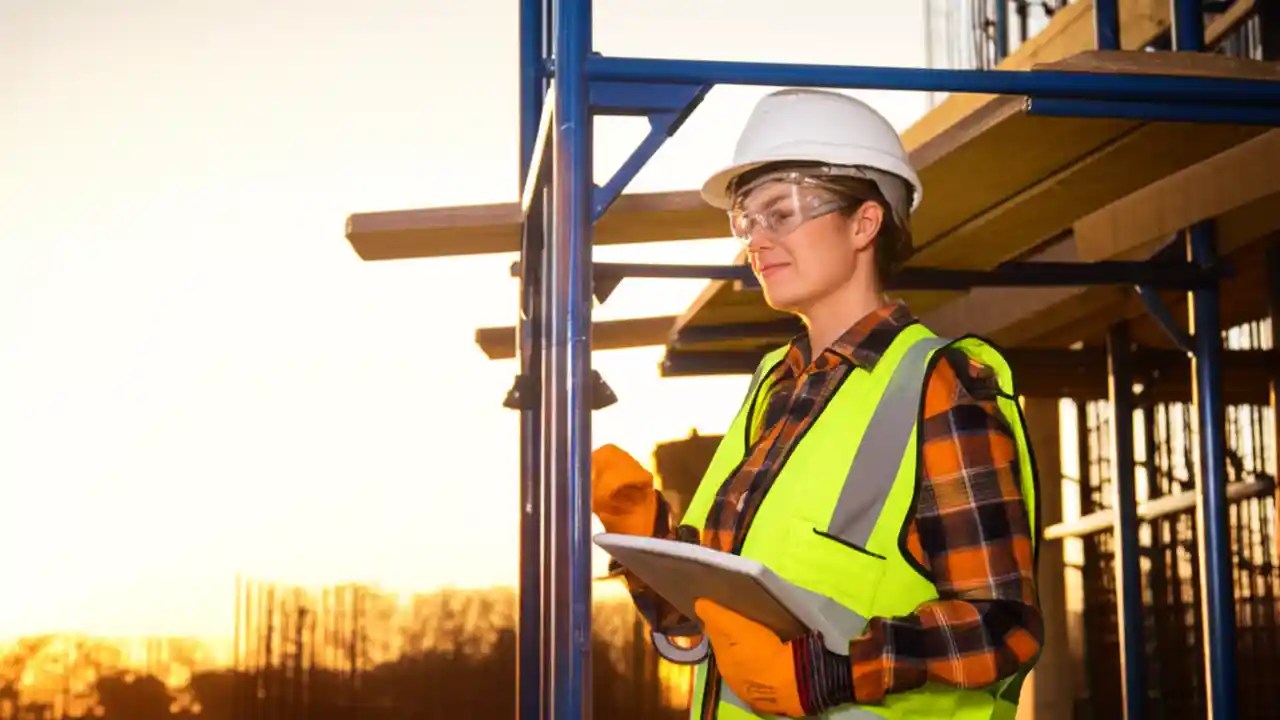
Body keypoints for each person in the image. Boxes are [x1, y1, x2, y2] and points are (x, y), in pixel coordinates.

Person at [592, 88, 1042, 720]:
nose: (757, 239)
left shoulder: (940, 384)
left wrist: (829, 671)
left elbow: (1004, 627)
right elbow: (712, 617)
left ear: (864, 222)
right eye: (746, 220)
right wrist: (645, 537)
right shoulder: (775, 385)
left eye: (781, 212)